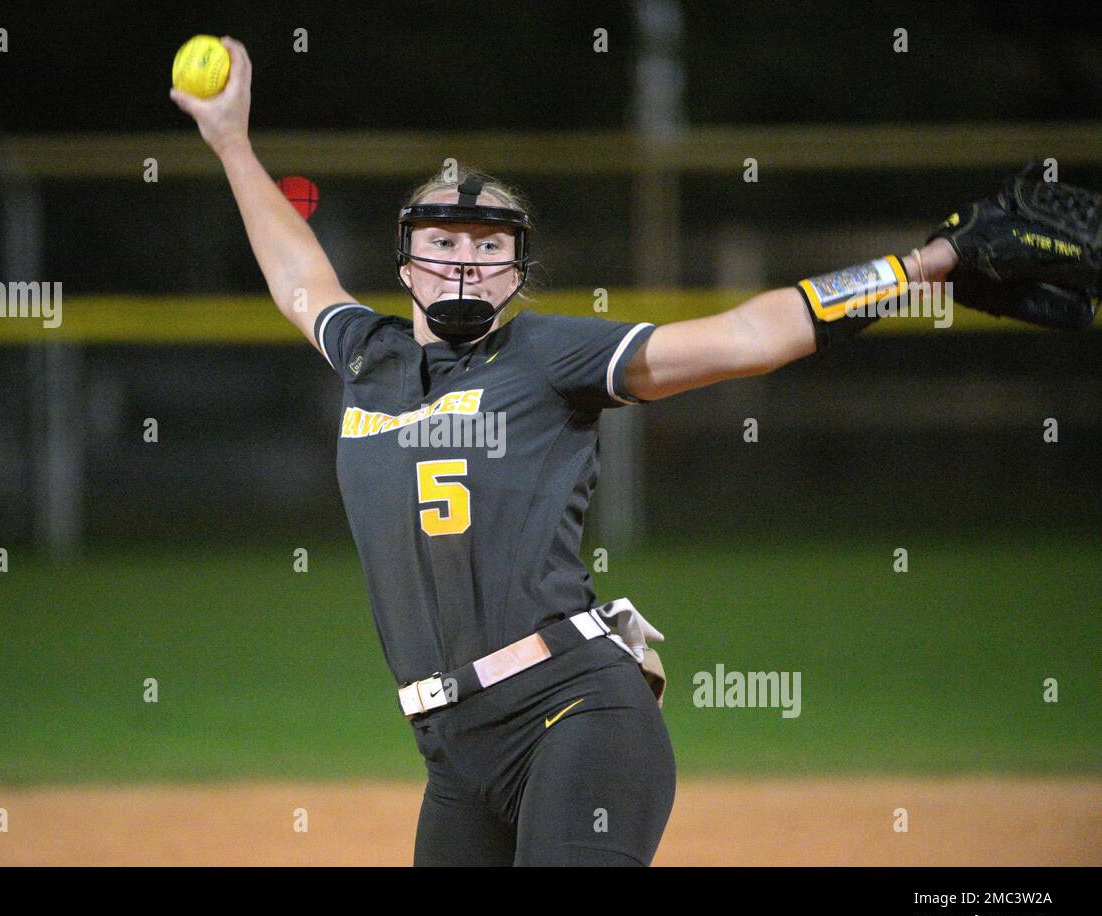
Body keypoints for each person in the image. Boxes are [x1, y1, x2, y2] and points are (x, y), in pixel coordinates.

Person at [172, 38, 1095, 866]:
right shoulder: (368, 358)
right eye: (441, 241)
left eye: (489, 245)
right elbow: (298, 277)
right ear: (406, 263)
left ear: (519, 269)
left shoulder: (544, 355)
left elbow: (748, 337)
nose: (463, 261)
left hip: (575, 714)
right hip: (452, 756)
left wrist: (922, 264)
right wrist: (230, 143)